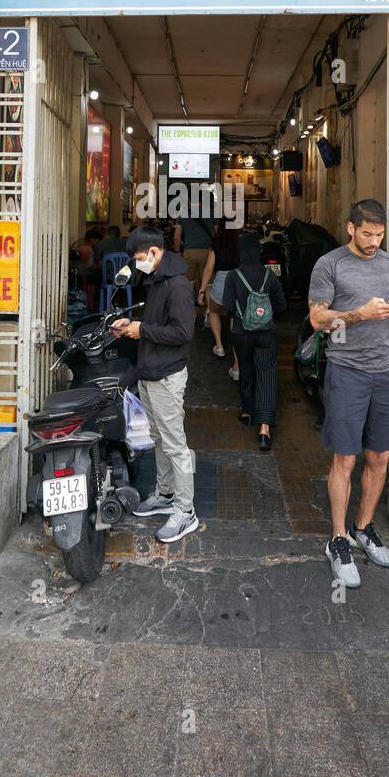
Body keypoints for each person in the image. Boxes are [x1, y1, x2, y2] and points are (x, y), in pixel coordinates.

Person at [308, 198, 389, 589]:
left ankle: (363, 528)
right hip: (347, 370)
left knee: (380, 456)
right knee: (345, 459)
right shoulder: (330, 264)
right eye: (367, 233)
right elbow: (319, 319)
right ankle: (338, 539)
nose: (374, 241)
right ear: (351, 228)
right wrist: (360, 314)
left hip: (385, 370)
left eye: (380, 234)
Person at [110, 226, 199, 543]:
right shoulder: (156, 279)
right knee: (159, 438)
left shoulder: (177, 286)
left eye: (138, 258)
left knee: (176, 445)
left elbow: (182, 333)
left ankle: (185, 510)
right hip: (150, 372)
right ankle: (164, 494)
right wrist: (130, 327)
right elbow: (155, 325)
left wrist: (142, 330)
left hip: (167, 377)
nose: (137, 265)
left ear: (154, 252)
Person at [221, 231, 287, 450]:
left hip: (242, 332)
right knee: (267, 375)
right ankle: (265, 429)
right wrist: (264, 315)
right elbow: (281, 305)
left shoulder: (233, 276)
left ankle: (248, 411)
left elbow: (227, 307)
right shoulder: (269, 275)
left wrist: (243, 316)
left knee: (247, 371)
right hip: (267, 333)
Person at [198, 220, 241, 358]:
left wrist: (202, 290)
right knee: (234, 315)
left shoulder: (215, 244)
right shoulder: (239, 243)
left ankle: (219, 346)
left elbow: (209, 268)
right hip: (237, 280)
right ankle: (236, 352)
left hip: (221, 280)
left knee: (214, 311)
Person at [177, 211, 215, 300]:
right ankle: (209, 311)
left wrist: (177, 251)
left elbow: (177, 236)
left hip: (188, 252)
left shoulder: (182, 214)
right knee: (208, 283)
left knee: (188, 283)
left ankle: (189, 309)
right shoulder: (212, 213)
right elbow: (218, 233)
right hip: (207, 252)